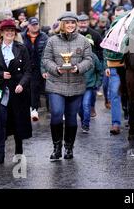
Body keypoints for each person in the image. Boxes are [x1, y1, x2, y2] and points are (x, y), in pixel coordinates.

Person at [42, 11, 93, 160]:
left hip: (76, 84)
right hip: (56, 83)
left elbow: (89, 60)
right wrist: (55, 68)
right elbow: (46, 60)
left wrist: (78, 68)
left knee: (71, 117)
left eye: (73, 23)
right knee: (57, 114)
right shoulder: (52, 41)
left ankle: (69, 148)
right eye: (67, 23)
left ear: (76, 24)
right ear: (62, 24)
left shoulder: (83, 41)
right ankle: (56, 147)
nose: (70, 25)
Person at [0, 19, 32, 164]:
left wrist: (22, 84)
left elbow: (28, 71)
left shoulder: (21, 48)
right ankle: (0, 153)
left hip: (18, 91)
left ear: (15, 33)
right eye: (7, 31)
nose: (10, 33)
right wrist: (0, 75)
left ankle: (19, 150)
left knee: (17, 120)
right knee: (0, 120)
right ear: (1, 33)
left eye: (12, 31)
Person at [21, 17, 48, 121]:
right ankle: (30, 108)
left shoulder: (44, 36)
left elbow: (46, 52)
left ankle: (35, 109)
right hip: (25, 66)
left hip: (39, 65)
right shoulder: (22, 36)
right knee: (27, 88)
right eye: (33, 24)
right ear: (28, 26)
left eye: (36, 24)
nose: (35, 26)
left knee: (36, 88)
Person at [79, 36, 102, 133]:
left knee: (86, 105)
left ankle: (86, 125)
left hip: (89, 86)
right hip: (78, 86)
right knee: (79, 108)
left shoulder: (94, 57)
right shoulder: (77, 56)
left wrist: (97, 83)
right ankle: (83, 120)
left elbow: (99, 71)